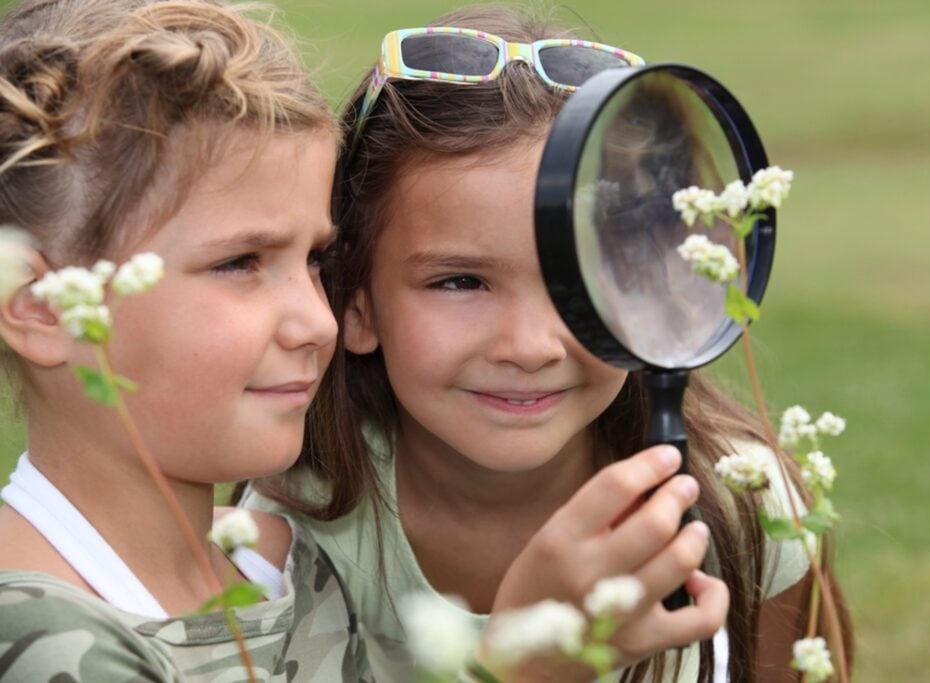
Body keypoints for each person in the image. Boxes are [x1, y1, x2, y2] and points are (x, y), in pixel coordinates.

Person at [245, 5, 852, 682]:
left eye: (579, 278)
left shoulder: (743, 509)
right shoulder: (289, 530)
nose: (530, 345)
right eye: (460, 281)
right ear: (356, 299)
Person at [0, 1, 369, 680]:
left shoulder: (292, 562)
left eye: (316, 258)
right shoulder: (38, 631)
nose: (318, 322)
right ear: (42, 308)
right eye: (240, 263)